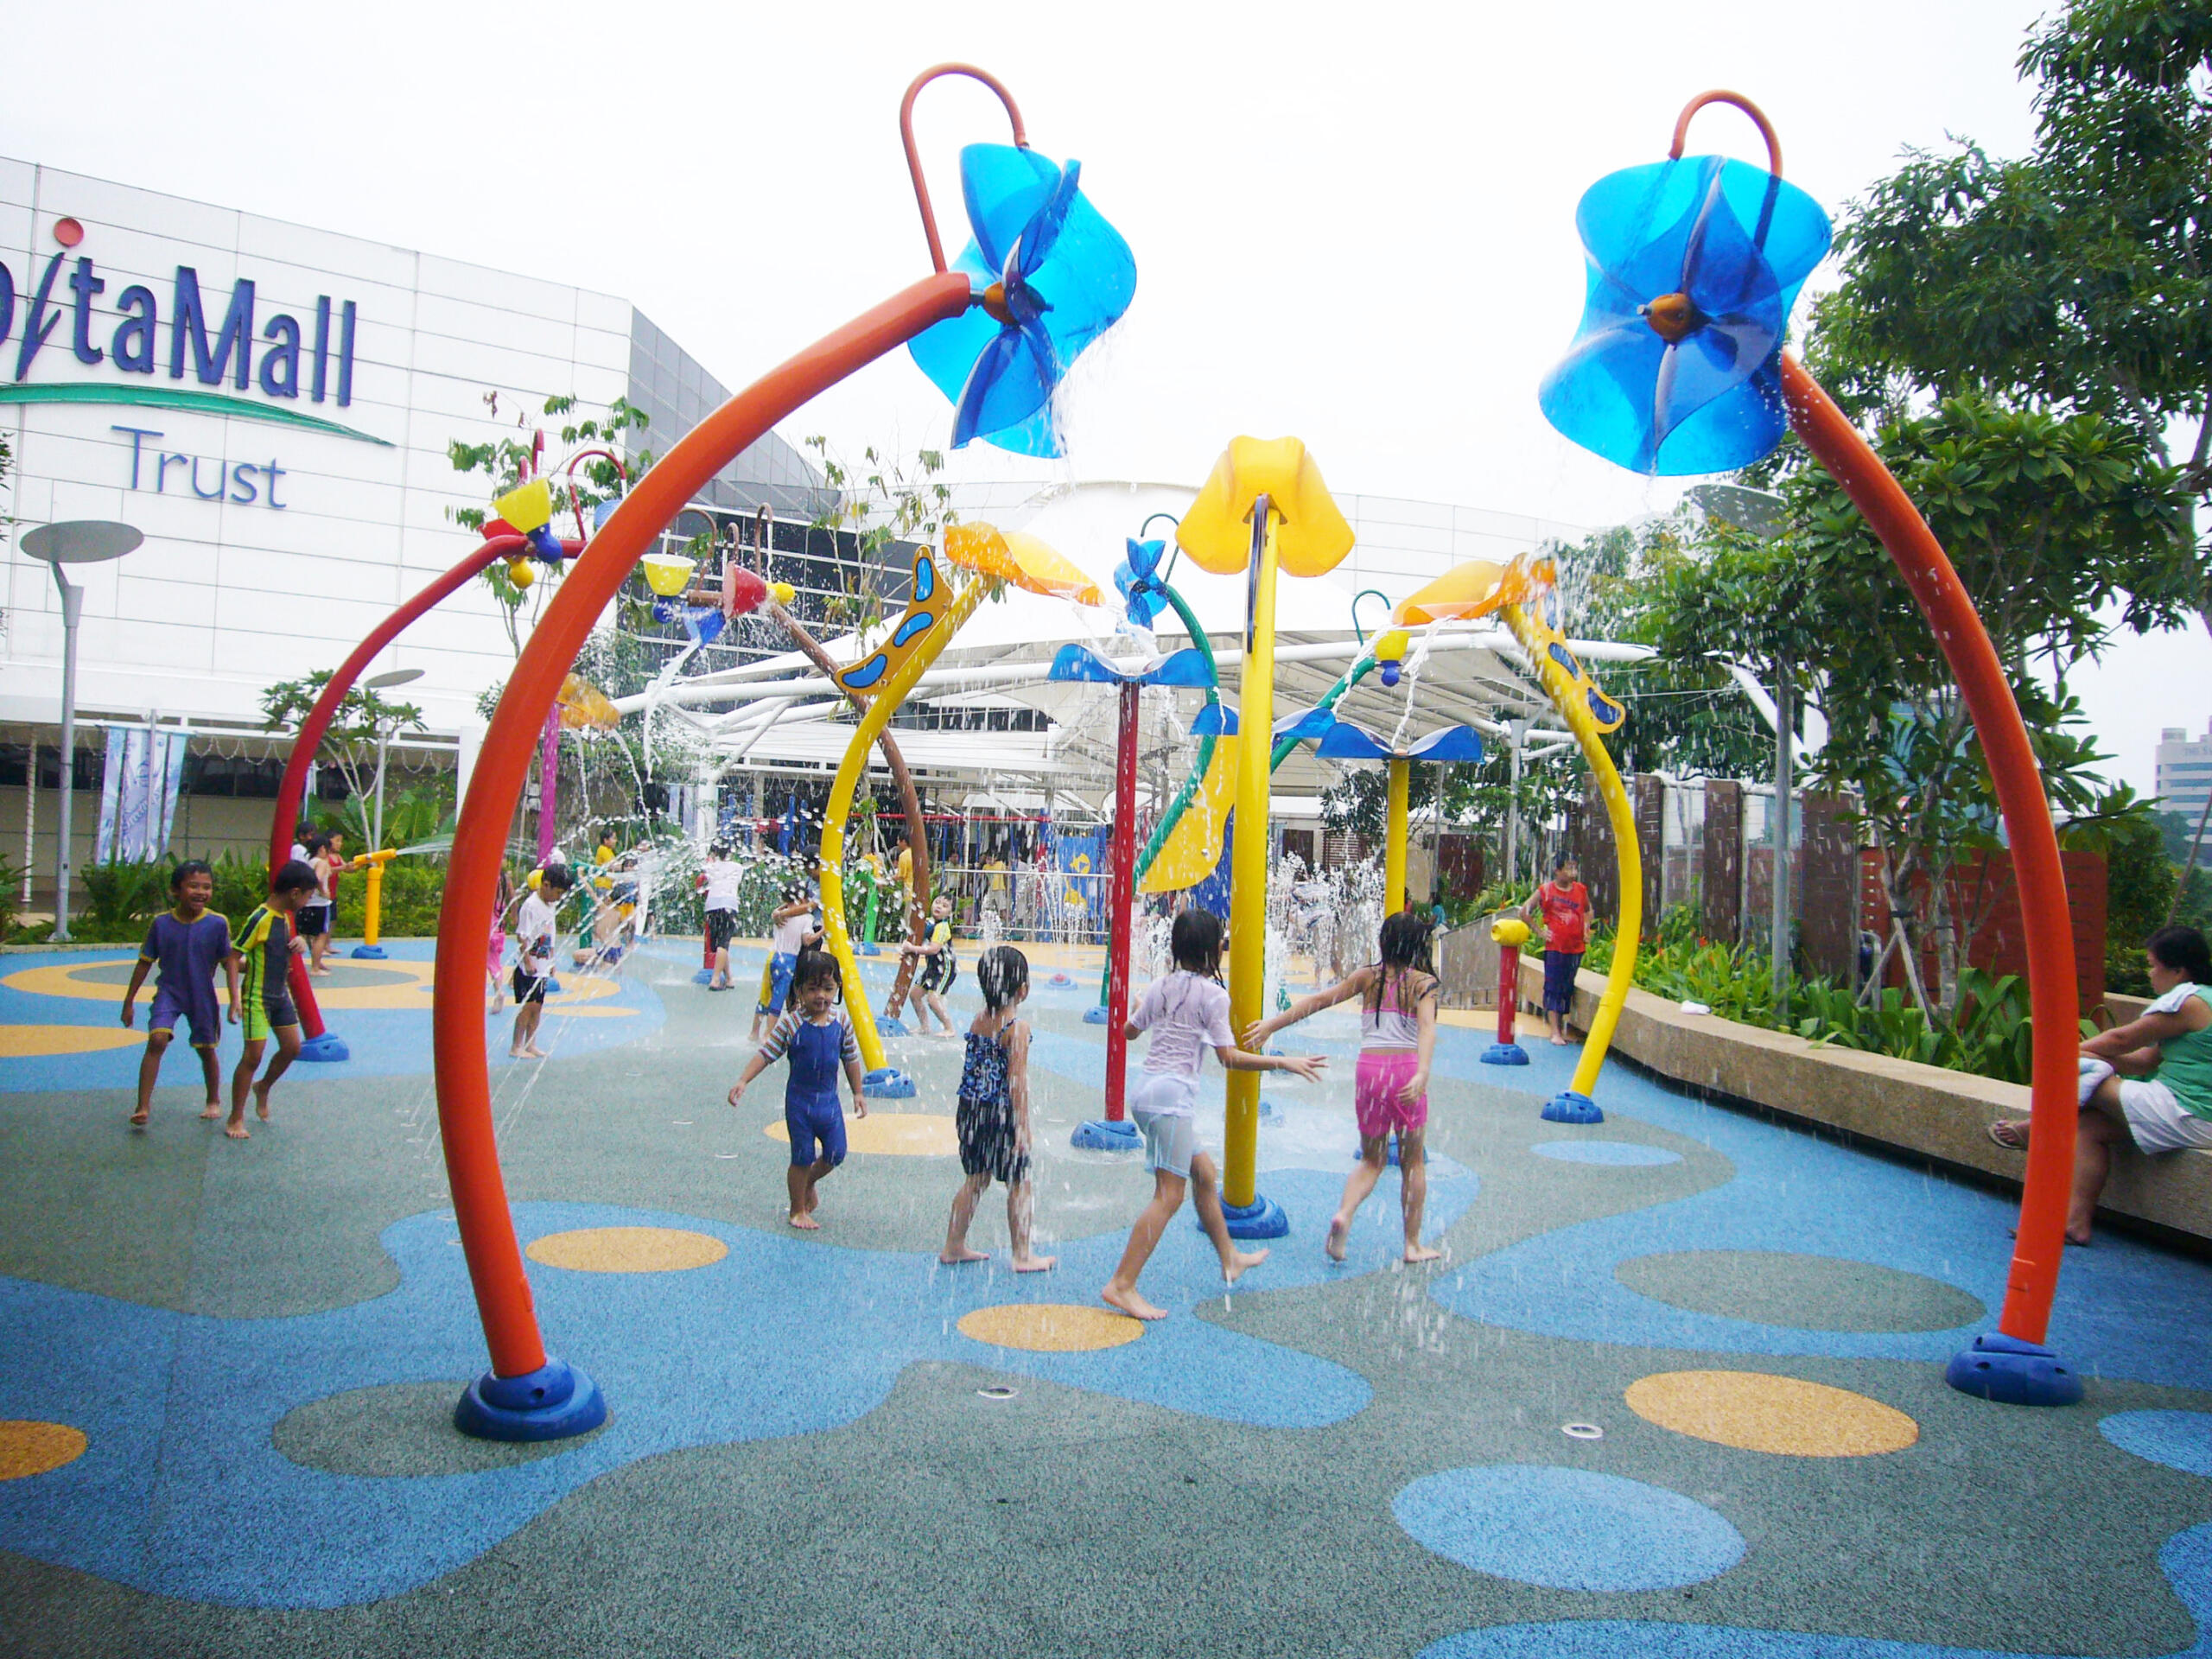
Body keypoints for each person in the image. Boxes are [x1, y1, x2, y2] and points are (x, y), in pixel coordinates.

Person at [1101, 909, 1327, 1322]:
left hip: (1147, 1093)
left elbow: (1130, 1032)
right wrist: (1283, 1063)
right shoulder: (1213, 995)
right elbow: (1229, 1059)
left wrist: (1140, 1004)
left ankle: (1229, 1258)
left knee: (1203, 1174)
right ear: (1213, 949)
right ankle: (1122, 1283)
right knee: (1168, 1196)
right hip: (1171, 1100)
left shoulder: (1160, 986)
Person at [1990, 925, 2212, 1244]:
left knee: (2078, 1071)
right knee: (2087, 1130)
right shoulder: (2202, 1002)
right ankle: (2074, 1224)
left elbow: (2122, 1039)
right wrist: (2092, 1054)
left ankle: (2037, 1129)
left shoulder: (2188, 1003)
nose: (2150, 974)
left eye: (2153, 966)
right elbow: (2143, 1061)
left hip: (2188, 1110)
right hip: (2189, 1112)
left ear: (2177, 971)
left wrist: (2068, 1054)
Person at [1248, 911, 1444, 1264]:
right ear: (1417, 946)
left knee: (1371, 1159)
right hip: (1404, 1070)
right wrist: (1422, 1072)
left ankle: (1344, 1215)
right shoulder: (1423, 983)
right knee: (1413, 1163)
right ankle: (1412, 1245)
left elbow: (1317, 1002)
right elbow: (1427, 1029)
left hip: (1369, 1071)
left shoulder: (1367, 977)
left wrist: (1271, 1026)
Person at [728, 949, 868, 1230]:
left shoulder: (842, 1022)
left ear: (837, 988)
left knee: (836, 1153)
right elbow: (766, 1053)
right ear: (799, 990)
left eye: (828, 988)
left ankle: (809, 1182)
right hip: (800, 1104)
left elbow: (850, 1058)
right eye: (813, 989)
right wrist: (743, 1080)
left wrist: (858, 1092)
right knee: (801, 1156)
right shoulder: (792, 1023)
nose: (821, 996)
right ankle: (797, 1210)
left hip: (828, 1104)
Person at [942, 945, 1053, 1270]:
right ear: (1023, 989)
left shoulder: (979, 1020)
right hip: (1001, 1113)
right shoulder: (1016, 1028)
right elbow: (1016, 1080)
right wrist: (1022, 1126)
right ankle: (1022, 1255)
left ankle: (953, 1244)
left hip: (971, 1109)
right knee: (1020, 1180)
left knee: (976, 1179)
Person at [120, 860, 240, 1128]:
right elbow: (145, 962)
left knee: (207, 1049)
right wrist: (128, 1002)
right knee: (157, 1040)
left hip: (202, 996)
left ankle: (213, 1099)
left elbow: (229, 960)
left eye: (207, 887)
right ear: (176, 890)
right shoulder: (161, 924)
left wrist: (236, 996)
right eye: (193, 886)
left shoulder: (217, 923)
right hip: (170, 992)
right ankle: (142, 1105)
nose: (201, 892)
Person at [226, 860, 319, 1139]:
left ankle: (263, 1086)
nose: (308, 901)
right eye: (307, 895)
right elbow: (232, 957)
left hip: (280, 996)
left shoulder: (284, 918)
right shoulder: (261, 918)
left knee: (292, 1048)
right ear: (294, 892)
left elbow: (279, 950)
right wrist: (234, 999)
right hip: (257, 997)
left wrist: (300, 942)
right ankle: (235, 1117)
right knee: (252, 1056)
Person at [1522, 854, 1590, 1046]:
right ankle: (1555, 1031)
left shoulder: (1580, 890)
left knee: (1567, 987)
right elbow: (1524, 911)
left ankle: (1561, 1029)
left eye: (1575, 868)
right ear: (1557, 871)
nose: (1573, 872)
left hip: (1576, 948)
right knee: (1553, 986)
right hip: (1555, 948)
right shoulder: (1546, 891)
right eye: (1569, 868)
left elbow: (1588, 910)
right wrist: (1540, 932)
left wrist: (1586, 928)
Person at [510, 863, 574, 1060]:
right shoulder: (531, 906)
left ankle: (531, 1044)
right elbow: (522, 935)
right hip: (529, 968)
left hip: (543, 964)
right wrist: (528, 961)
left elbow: (551, 934)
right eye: (558, 892)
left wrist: (552, 960)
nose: (559, 897)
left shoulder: (550, 904)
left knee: (538, 1007)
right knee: (527, 1008)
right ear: (546, 884)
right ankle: (516, 1045)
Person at [751, 881, 823, 1041]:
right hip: (788, 961)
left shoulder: (778, 913)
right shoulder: (806, 918)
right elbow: (807, 940)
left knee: (765, 995)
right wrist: (823, 931)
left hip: (773, 956)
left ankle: (754, 1033)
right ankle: (768, 1033)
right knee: (778, 996)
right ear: (802, 898)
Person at [900, 893, 959, 1036]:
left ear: (950, 913)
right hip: (933, 968)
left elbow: (934, 949)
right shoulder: (927, 923)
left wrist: (912, 949)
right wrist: (906, 950)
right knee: (915, 995)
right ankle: (925, 1026)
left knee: (933, 999)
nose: (939, 906)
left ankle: (949, 1028)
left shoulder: (943, 927)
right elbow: (916, 939)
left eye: (945, 906)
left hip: (945, 969)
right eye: (937, 902)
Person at [698, 842, 742, 991]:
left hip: (712, 906)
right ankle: (716, 980)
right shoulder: (738, 867)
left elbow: (702, 880)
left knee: (719, 945)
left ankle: (729, 978)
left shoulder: (710, 866)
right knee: (724, 944)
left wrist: (711, 857)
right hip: (729, 905)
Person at [486, 866, 514, 1014]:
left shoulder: (489, 879)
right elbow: (513, 898)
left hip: (488, 924)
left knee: (482, 962)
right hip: (499, 926)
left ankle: (496, 992)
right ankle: (498, 990)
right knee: (495, 962)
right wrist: (514, 916)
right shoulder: (505, 879)